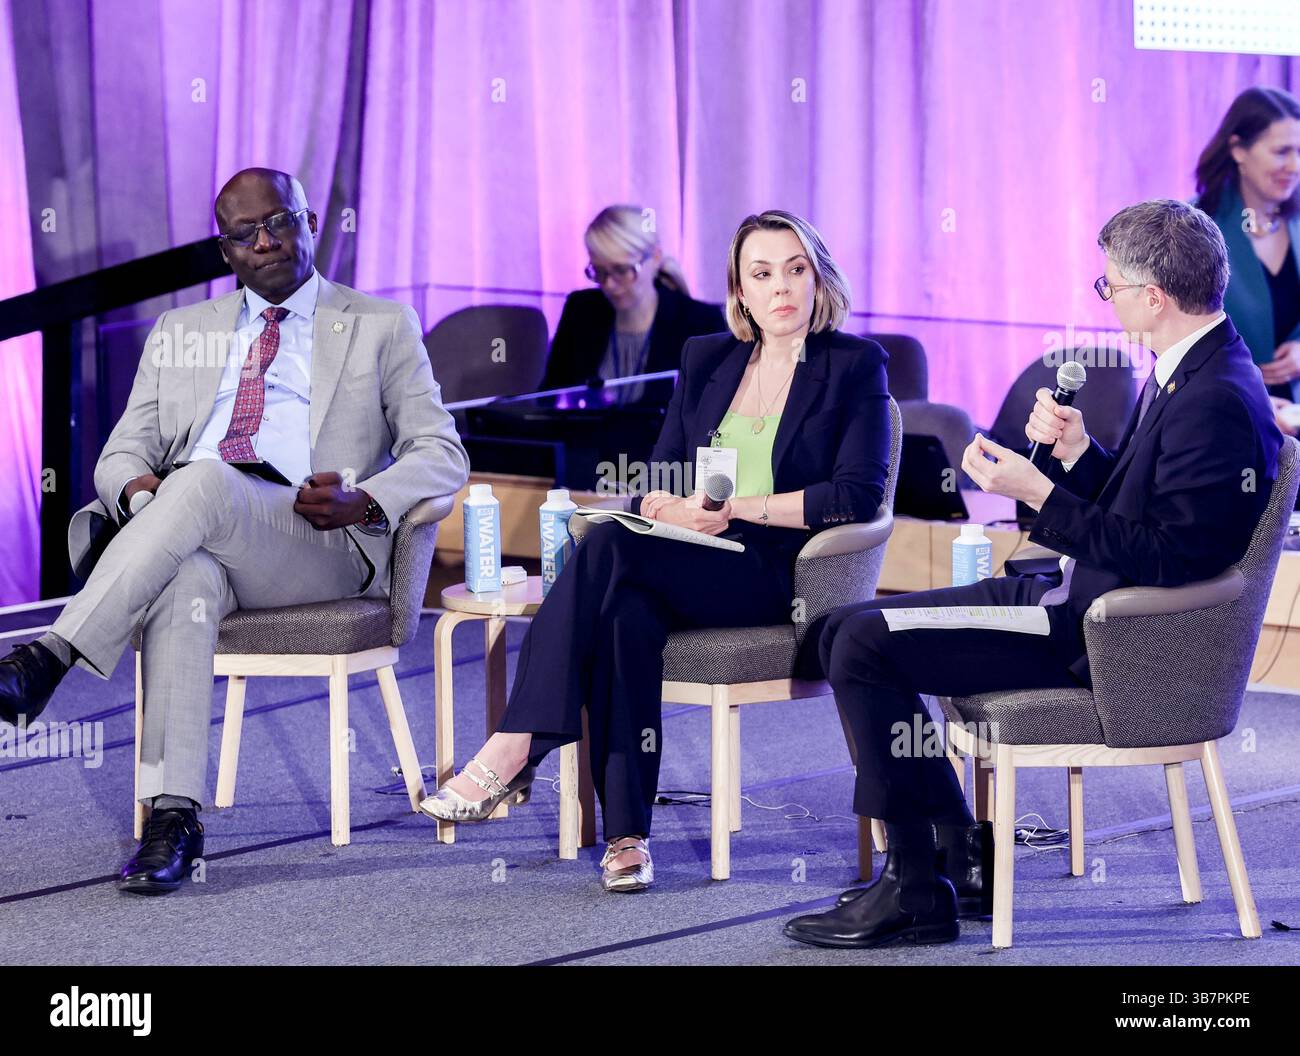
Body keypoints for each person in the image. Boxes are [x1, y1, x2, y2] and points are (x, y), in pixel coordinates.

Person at [782, 199, 1282, 949]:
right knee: (841, 629)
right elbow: (1152, 515)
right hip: (1069, 598)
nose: (1103, 296)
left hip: (1105, 639)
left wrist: (1040, 494)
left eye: (1107, 284)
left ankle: (915, 887)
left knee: (862, 645)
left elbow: (1177, 559)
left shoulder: (1216, 399)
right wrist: (1084, 457)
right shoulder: (1193, 368)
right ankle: (959, 855)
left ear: (1155, 297)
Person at [0, 168, 469, 895]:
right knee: (186, 569)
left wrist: (364, 499)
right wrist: (139, 489)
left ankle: (51, 656)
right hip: (198, 528)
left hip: (313, 542)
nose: (267, 241)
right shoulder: (181, 332)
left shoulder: (380, 324)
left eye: (280, 222)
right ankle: (172, 818)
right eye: (246, 233)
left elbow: (443, 452)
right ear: (226, 252)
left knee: (208, 477)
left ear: (311, 223)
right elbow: (123, 452)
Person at [420, 210, 892, 892]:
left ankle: (516, 743)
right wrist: (668, 507)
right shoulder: (708, 358)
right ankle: (627, 840)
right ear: (741, 290)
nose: (783, 287)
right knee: (623, 615)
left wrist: (737, 510)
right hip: (689, 553)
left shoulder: (853, 364)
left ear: (819, 278)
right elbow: (662, 474)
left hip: (781, 571)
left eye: (797, 269)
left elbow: (856, 495)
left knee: (608, 546)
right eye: (763, 274)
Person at [537, 204, 724, 392]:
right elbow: (549, 399)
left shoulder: (701, 323)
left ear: (656, 258)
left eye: (622, 270)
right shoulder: (580, 310)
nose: (609, 284)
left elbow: (716, 410)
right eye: (599, 272)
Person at [1195, 86, 1300, 402]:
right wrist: (1258, 401)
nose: (1295, 166)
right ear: (1239, 150)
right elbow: (1175, 342)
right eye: (1282, 152)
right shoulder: (1193, 226)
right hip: (1225, 413)